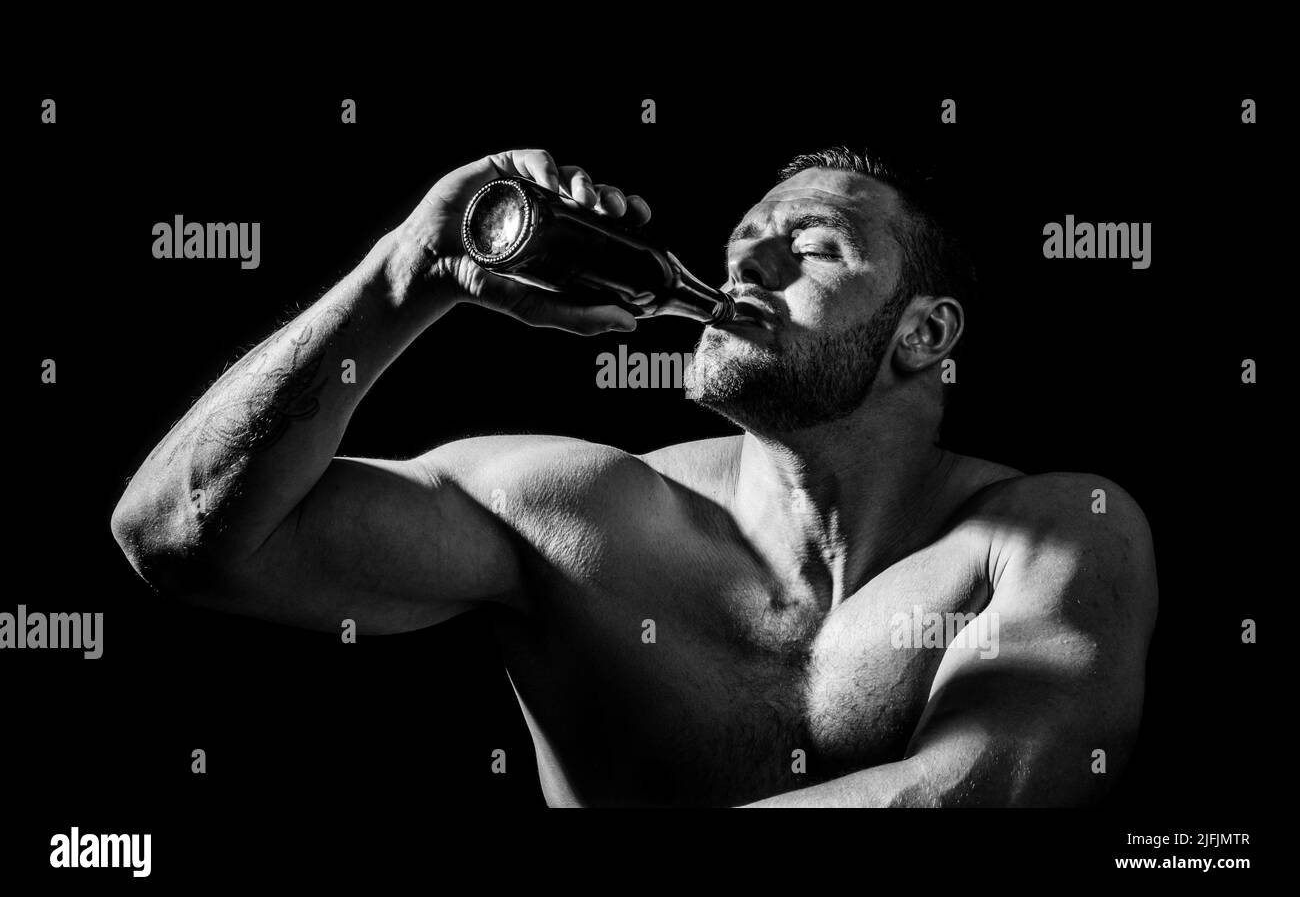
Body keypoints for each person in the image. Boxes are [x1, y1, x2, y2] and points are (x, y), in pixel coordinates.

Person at [111, 145, 1158, 807]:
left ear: (924, 333)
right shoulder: (570, 511)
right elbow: (178, 535)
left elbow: (966, 797)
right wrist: (407, 273)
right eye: (746, 245)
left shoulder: (1050, 531)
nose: (749, 266)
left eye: (814, 248)